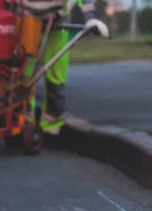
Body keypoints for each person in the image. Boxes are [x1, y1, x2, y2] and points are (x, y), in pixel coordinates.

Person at [22, 0, 97, 135]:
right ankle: (23, 120)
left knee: (55, 75)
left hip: (55, 25)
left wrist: (90, 18)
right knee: (23, 74)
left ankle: (49, 125)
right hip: (27, 23)